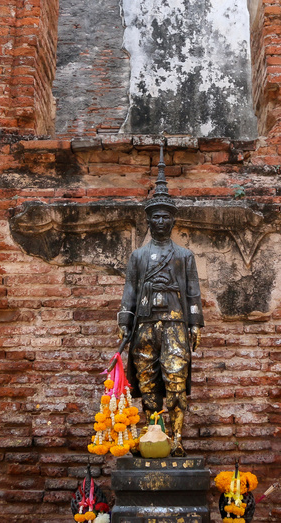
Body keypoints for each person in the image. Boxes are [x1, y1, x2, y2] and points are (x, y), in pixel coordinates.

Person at [118, 144, 203, 456]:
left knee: (176, 379)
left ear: (173, 221)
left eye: (166, 217)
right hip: (145, 325)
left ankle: (178, 438)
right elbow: (129, 289)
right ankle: (152, 436)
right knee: (148, 381)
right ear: (149, 221)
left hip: (175, 324)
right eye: (156, 217)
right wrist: (124, 321)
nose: (161, 222)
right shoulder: (138, 256)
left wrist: (195, 325)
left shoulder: (184, 256)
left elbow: (193, 292)